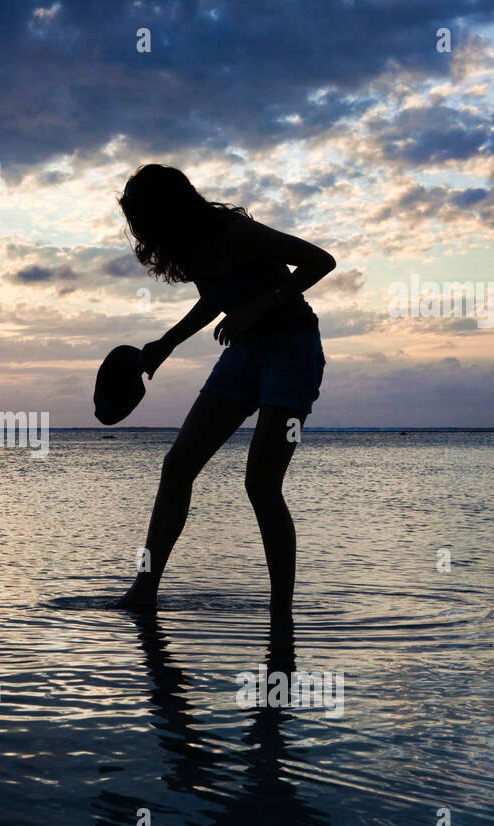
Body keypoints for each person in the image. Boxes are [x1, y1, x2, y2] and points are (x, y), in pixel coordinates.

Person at [110, 164, 335, 625]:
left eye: (143, 217)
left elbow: (320, 261)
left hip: (292, 349)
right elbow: (216, 297)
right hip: (245, 353)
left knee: (261, 483)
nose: (142, 230)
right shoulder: (191, 247)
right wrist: (165, 345)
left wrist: (259, 305)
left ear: (168, 208)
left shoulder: (237, 231)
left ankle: (281, 611)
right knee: (178, 466)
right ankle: (144, 590)